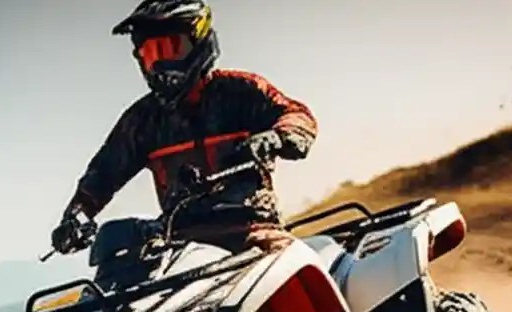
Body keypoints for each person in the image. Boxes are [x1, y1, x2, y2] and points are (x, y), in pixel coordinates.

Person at [51, 0, 317, 257]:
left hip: (253, 232)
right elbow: (102, 175)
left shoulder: (241, 91)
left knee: (288, 267)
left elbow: (297, 115)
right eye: (151, 55)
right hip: (180, 248)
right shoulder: (142, 120)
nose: (160, 66)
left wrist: (278, 136)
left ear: (199, 42)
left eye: (170, 49)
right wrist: (75, 217)